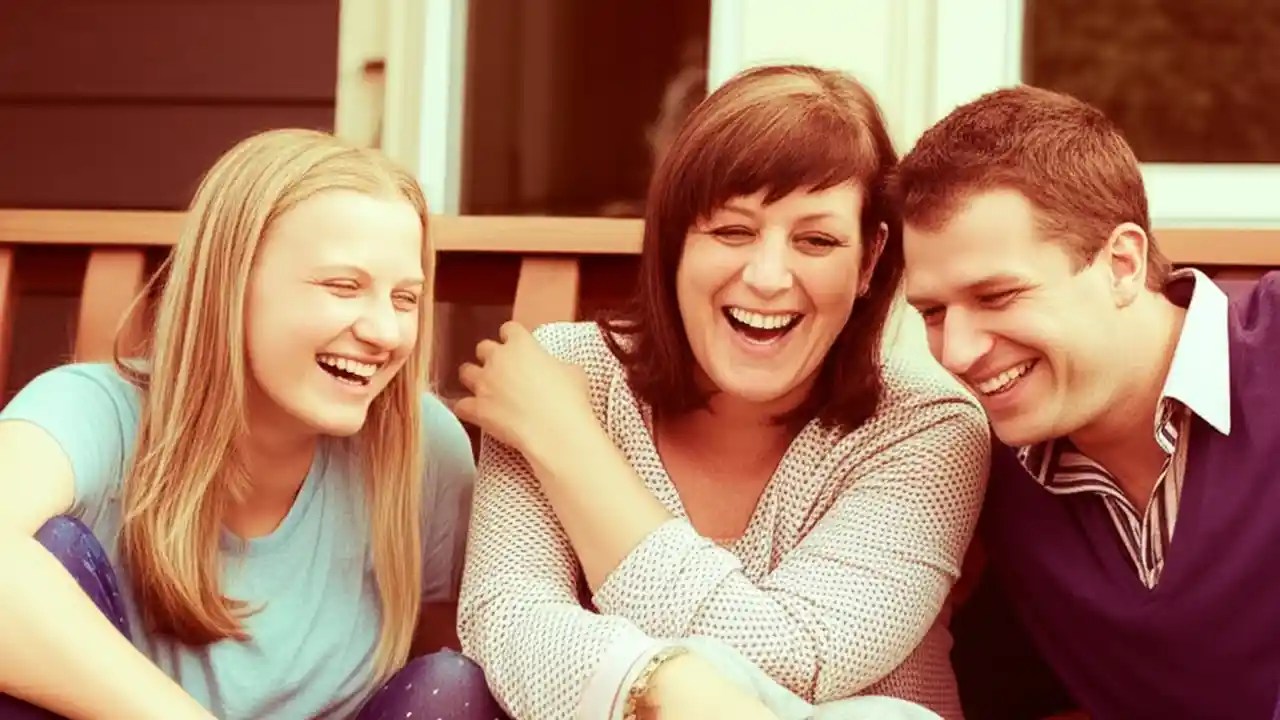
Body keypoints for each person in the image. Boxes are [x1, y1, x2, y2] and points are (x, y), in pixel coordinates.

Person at [451, 64, 990, 720]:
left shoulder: (927, 426)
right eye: (731, 231)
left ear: (870, 261)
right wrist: (658, 688)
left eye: (816, 240)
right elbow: (505, 618)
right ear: (676, 239)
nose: (766, 277)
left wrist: (568, 445)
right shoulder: (566, 373)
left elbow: (803, 659)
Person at [0, 129, 490, 719]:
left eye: (405, 299)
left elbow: (459, 661)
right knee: (48, 551)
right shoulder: (91, 413)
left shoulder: (421, 448)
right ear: (230, 286)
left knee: (454, 685)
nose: (385, 333)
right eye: (343, 286)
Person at [893, 84, 1280, 719]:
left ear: (1122, 264)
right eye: (932, 312)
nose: (957, 352)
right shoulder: (982, 468)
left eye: (997, 297)